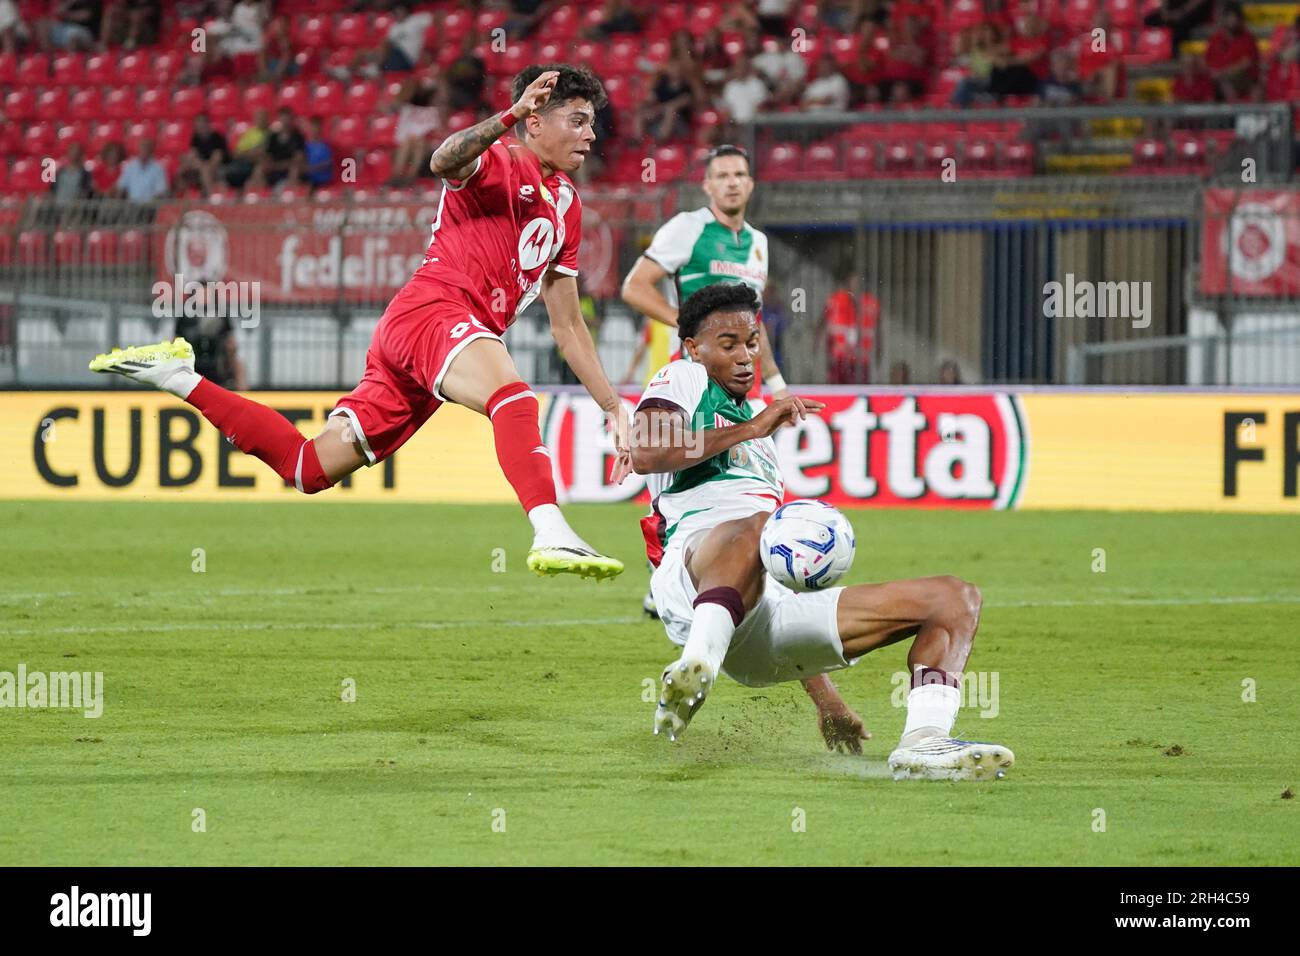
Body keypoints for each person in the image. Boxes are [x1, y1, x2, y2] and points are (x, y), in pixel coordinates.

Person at [90, 65, 628, 581]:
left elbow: (569, 327)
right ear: (535, 119)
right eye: (576, 120)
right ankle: (550, 527)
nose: (591, 134)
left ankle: (177, 377)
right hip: (434, 312)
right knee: (513, 397)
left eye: (592, 122)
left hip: (427, 341)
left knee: (308, 468)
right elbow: (443, 160)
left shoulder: (568, 206)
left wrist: (612, 407)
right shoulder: (502, 161)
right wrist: (507, 115)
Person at [631, 283, 1014, 779]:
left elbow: (768, 565)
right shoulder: (683, 378)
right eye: (729, 344)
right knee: (758, 528)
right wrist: (751, 428)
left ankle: (925, 743)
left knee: (954, 599)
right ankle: (695, 666)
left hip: (760, 622)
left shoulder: (764, 451)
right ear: (694, 349)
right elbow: (645, 451)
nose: (746, 356)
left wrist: (827, 701)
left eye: (752, 342)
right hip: (691, 577)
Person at [621, 143, 791, 618]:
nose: (733, 181)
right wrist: (692, 327)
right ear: (708, 185)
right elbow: (635, 286)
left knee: (740, 480)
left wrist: (776, 385)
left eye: (740, 173)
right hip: (697, 377)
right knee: (674, 469)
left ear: (751, 183)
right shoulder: (689, 228)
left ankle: (741, 577)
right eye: (723, 175)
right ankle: (670, 572)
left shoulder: (757, 242)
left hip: (742, 379)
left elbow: (751, 322)